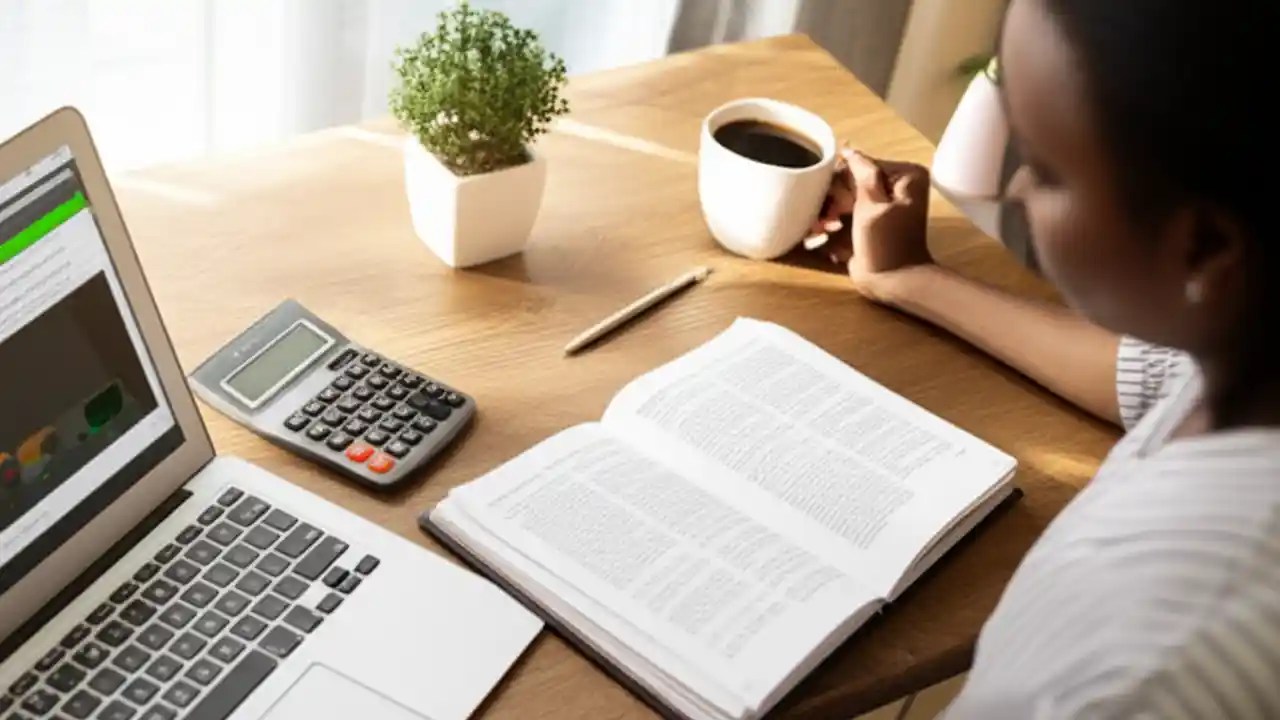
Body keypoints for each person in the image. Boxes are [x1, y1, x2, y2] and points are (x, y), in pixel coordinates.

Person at [810, 0, 1280, 716]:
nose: (1016, 189)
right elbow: (1152, 377)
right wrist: (911, 277)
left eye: (1042, 164)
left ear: (1207, 247)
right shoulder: (1250, 348)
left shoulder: (1144, 677)